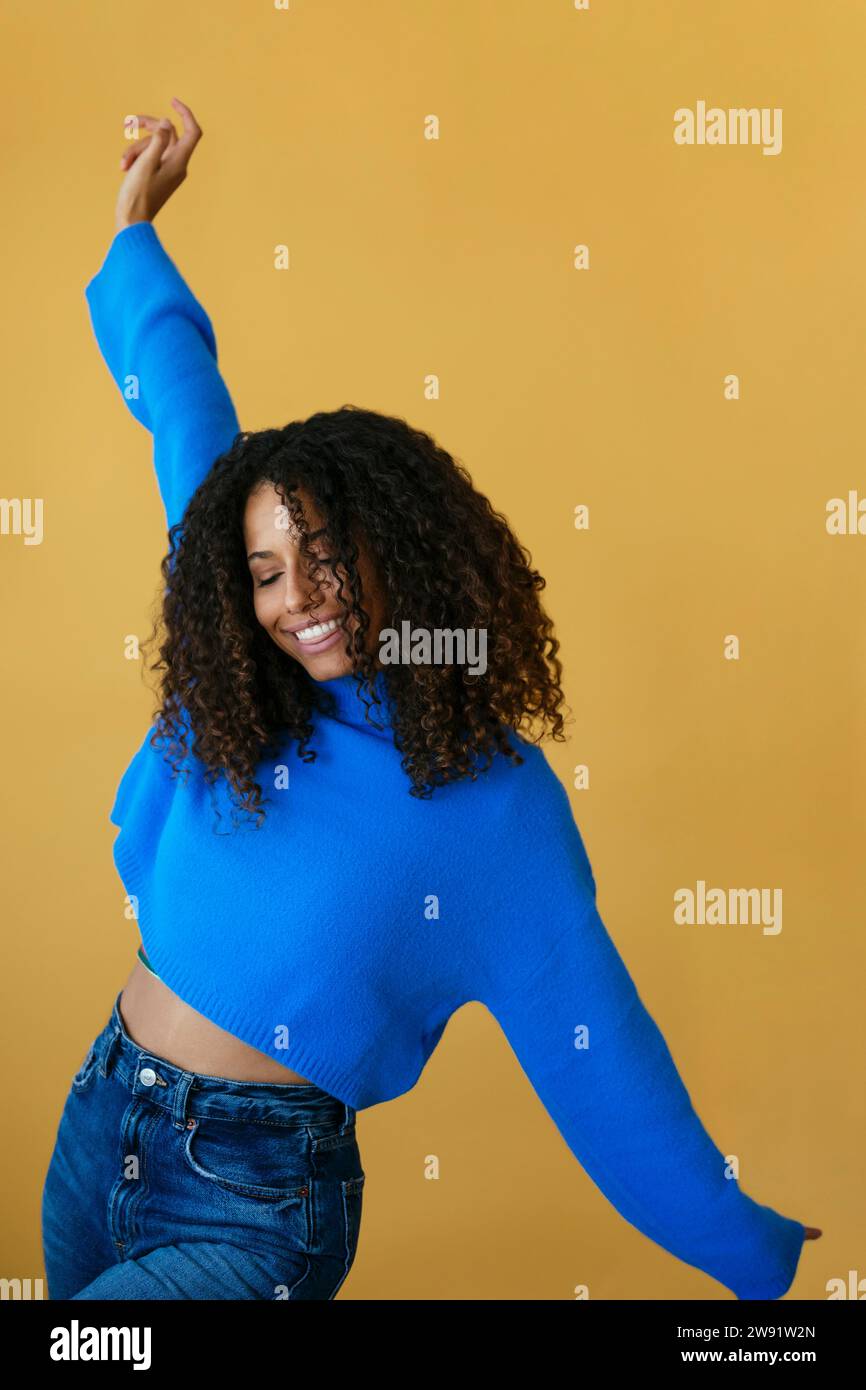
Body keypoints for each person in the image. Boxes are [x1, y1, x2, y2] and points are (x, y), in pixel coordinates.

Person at [41, 98, 820, 1301]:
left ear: (402, 546)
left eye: (326, 552)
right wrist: (134, 223)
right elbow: (182, 396)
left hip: (254, 1203)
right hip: (102, 1127)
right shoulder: (238, 663)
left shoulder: (493, 804)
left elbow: (599, 1063)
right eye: (263, 571)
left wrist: (755, 1255)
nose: (296, 598)